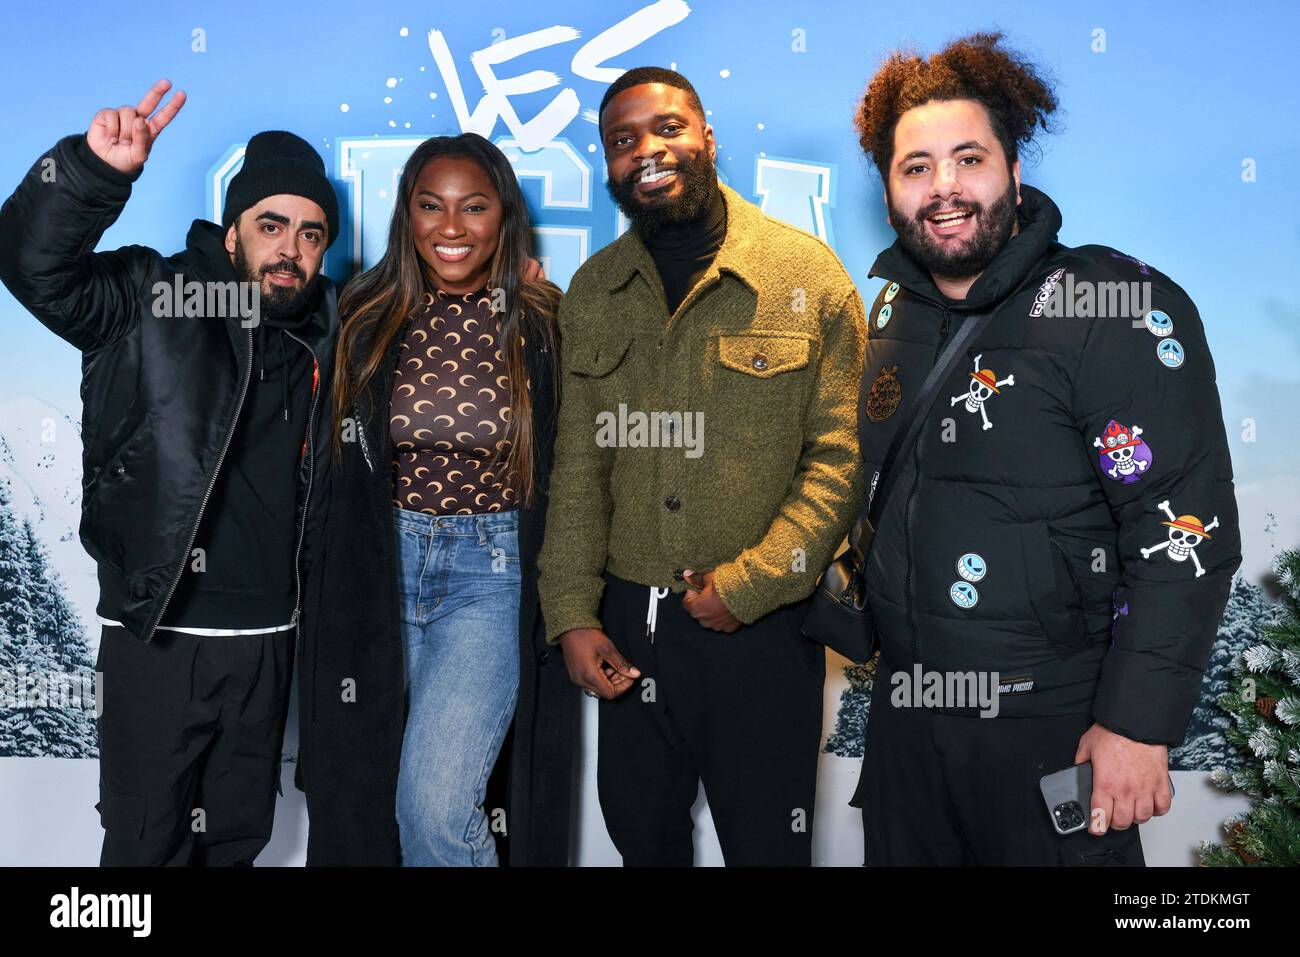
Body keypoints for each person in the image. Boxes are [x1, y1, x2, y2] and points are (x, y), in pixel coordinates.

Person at [849, 32, 1241, 865]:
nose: (944, 187)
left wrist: (1138, 722)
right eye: (916, 167)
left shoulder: (1111, 304)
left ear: (1015, 173)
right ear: (889, 193)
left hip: (1051, 726)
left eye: (968, 159)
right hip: (907, 728)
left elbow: (1187, 526)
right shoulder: (893, 318)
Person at [0, 80, 341, 865]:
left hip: (268, 642)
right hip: (157, 639)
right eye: (271, 225)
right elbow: (33, 267)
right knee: (144, 847)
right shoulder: (153, 296)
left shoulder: (328, 333)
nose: (290, 248)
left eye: (312, 233)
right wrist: (91, 173)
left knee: (234, 842)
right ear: (232, 236)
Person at [537, 67, 865, 866]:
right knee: (643, 842)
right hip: (630, 631)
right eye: (623, 141)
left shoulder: (807, 277)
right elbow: (579, 466)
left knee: (768, 848)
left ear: (708, 137)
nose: (648, 151)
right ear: (608, 163)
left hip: (764, 633)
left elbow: (840, 462)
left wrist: (749, 585)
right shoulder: (592, 291)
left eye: (669, 128)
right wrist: (573, 611)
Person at [300, 133, 577, 866]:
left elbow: (579, 472)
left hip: (488, 578)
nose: (450, 227)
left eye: (473, 207)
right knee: (365, 804)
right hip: (378, 566)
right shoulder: (361, 313)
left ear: (503, 215)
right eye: (431, 205)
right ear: (407, 213)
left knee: (435, 809)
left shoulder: (546, 322)